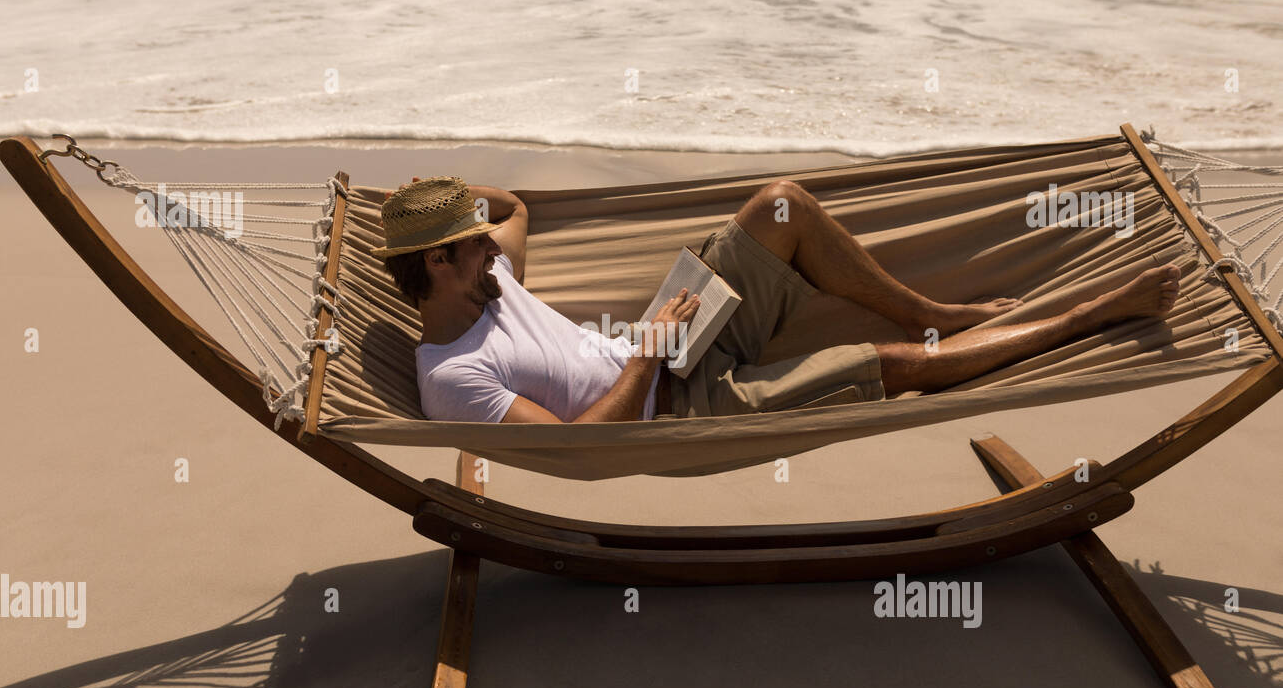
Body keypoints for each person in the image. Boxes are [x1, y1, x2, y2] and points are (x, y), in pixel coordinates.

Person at [373, 176, 1179, 424]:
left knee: (779, 205)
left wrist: (434, 194)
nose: (494, 247)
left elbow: (517, 207)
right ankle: (1092, 313)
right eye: (471, 242)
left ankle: (928, 311)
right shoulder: (454, 379)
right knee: (890, 368)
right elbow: (576, 453)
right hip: (673, 411)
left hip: (666, 346)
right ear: (439, 263)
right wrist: (651, 348)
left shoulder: (486, 277)